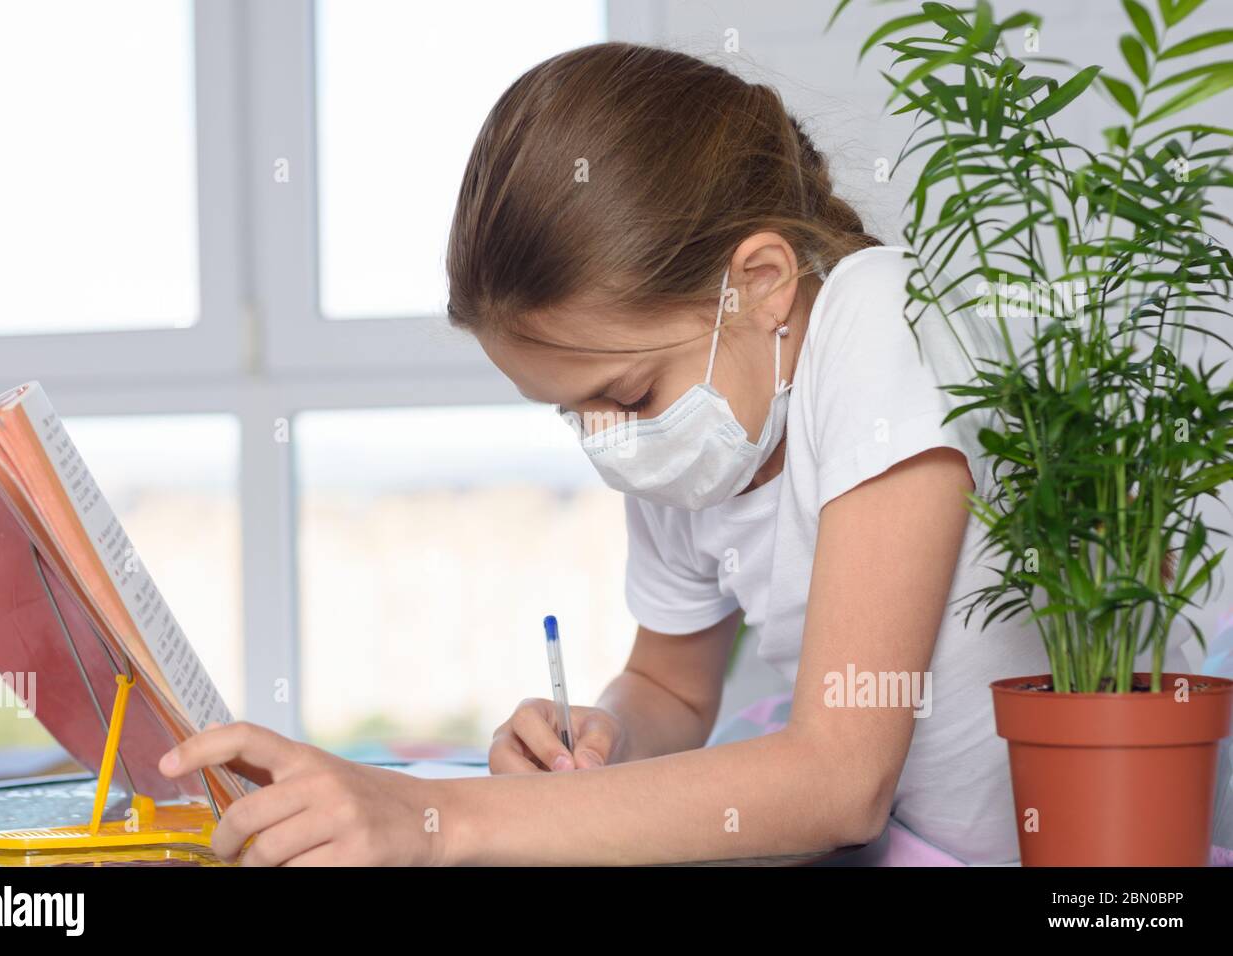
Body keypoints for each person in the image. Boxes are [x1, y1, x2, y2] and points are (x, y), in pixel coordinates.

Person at [160, 41, 1058, 866]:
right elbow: (668, 688)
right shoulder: (703, 423)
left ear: (762, 285)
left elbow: (838, 779)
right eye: (572, 415)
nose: (608, 441)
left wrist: (435, 818)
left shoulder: (877, 319)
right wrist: (601, 739)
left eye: (624, 397)